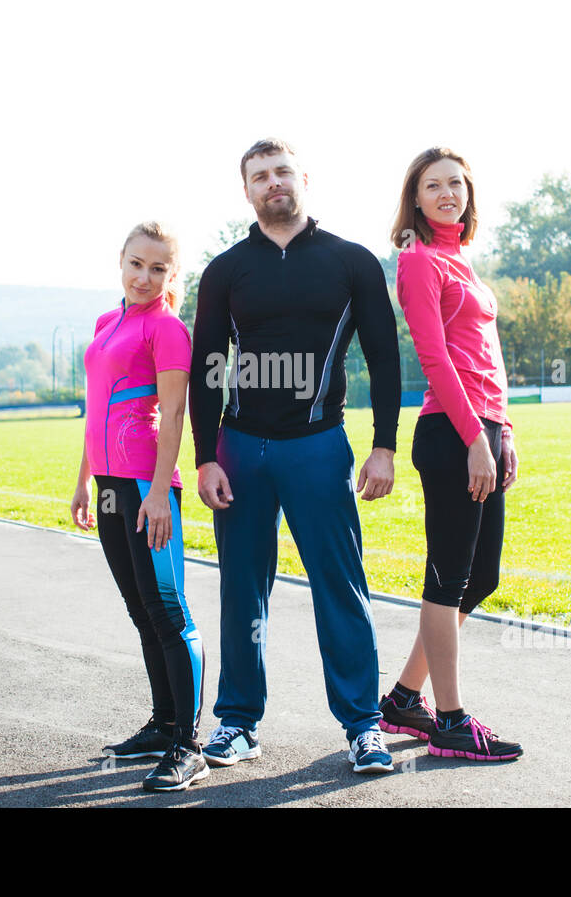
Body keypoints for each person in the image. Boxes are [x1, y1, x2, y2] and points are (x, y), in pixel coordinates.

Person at [189, 138, 401, 774]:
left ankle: (364, 727)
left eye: (282, 171)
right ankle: (237, 724)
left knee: (340, 585)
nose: (273, 183)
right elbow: (206, 368)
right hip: (241, 449)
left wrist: (383, 446)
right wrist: (205, 457)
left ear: (302, 178)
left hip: (317, 446)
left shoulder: (352, 262)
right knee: (242, 588)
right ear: (247, 191)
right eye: (260, 176)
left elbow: (386, 360)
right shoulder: (226, 270)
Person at [379, 147, 524, 762]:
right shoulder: (417, 261)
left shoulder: (462, 261)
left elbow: (488, 356)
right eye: (432, 185)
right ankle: (450, 719)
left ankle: (404, 699)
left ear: (468, 194)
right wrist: (473, 439)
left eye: (455, 185)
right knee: (448, 576)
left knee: (479, 577)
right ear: (415, 197)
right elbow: (435, 359)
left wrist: (504, 430)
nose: (446, 194)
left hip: (483, 428)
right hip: (450, 432)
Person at [71, 221, 207, 792]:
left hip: (147, 485)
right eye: (136, 264)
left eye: (158, 269)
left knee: (168, 610)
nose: (144, 277)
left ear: (171, 275)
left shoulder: (169, 329)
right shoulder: (107, 324)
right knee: (140, 610)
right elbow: (94, 406)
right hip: (106, 484)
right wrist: (83, 481)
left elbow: (174, 416)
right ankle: (163, 724)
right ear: (121, 262)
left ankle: (189, 745)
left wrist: (157, 493)